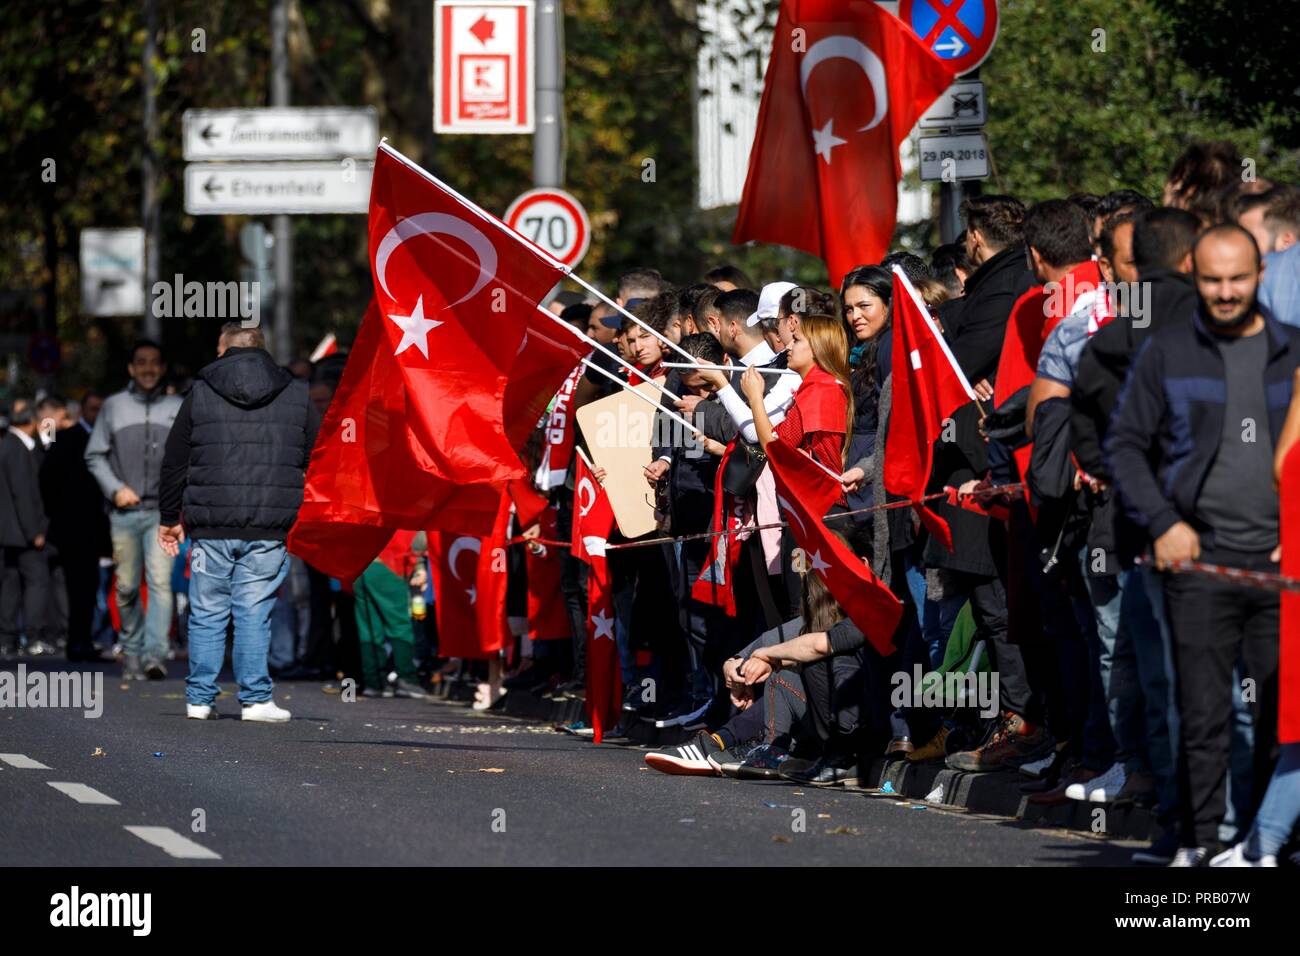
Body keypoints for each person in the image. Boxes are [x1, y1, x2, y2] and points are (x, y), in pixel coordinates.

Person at [1108, 224, 1300, 865]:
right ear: (1195, 276)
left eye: (1237, 279)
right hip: (1197, 562)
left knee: (1280, 710)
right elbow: (1125, 446)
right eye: (1212, 279)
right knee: (1204, 712)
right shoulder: (1168, 351)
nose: (1224, 292)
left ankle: (1263, 842)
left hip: (1280, 567)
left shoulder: (1290, 351)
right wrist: (1163, 522)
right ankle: (1201, 842)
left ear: (1259, 277)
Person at [158, 323, 321, 722]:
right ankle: (255, 699)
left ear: (225, 349)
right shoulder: (296, 394)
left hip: (210, 521)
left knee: (207, 610)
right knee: (254, 610)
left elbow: (175, 459)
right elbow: (316, 456)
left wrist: (168, 518)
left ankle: (199, 699)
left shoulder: (200, 392)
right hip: (270, 522)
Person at [85, 340, 183, 679]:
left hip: (163, 513)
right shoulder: (113, 406)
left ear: (163, 367)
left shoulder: (177, 406)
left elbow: (189, 456)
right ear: (131, 368)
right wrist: (115, 490)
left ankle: (155, 655)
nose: (148, 368)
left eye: (154, 362)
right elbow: (94, 454)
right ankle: (132, 648)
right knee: (126, 586)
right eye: (141, 362)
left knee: (160, 583)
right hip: (124, 513)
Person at [40, 391, 112, 662]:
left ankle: (83, 640)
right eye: (93, 409)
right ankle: (76, 641)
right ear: (83, 411)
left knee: (89, 586)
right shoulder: (67, 438)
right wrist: (58, 513)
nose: (97, 415)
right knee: (75, 587)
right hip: (73, 528)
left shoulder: (103, 439)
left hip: (93, 528)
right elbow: (47, 478)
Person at [0, 398, 49, 660]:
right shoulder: (19, 449)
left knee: (10, 584)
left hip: (8, 532)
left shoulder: (5, 445)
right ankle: (33, 636)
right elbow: (23, 494)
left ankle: (6, 638)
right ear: (33, 422)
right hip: (23, 532)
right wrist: (35, 531)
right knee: (36, 582)